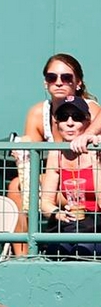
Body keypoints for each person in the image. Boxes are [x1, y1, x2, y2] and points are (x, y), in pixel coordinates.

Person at [8, 53, 101, 256]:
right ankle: (23, 256)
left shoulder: (90, 109)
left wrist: (90, 135)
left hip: (86, 180)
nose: (59, 82)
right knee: (17, 186)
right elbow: (30, 158)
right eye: (52, 77)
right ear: (45, 82)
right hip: (57, 175)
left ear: (78, 83)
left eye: (66, 78)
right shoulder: (38, 112)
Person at [38, 96, 101, 258]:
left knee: (82, 251)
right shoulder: (56, 153)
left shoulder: (97, 149)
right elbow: (45, 202)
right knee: (55, 251)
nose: (70, 122)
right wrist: (58, 213)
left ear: (87, 122)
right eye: (63, 117)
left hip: (97, 223)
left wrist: (96, 162)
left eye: (77, 117)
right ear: (56, 123)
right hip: (71, 223)